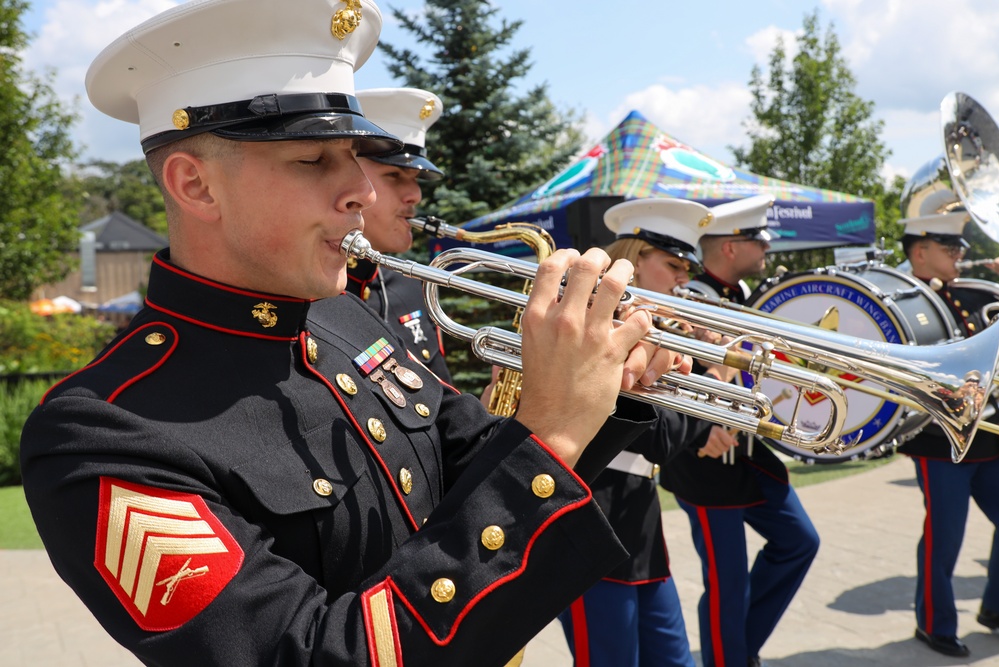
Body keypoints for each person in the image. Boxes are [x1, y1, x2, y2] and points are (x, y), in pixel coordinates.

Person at [17, 2, 686, 665]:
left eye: (357, 156)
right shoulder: (102, 434)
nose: (362, 190)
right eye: (314, 160)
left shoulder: (338, 313)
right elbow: (309, 654)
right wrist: (556, 432)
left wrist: (599, 389)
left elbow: (473, 456)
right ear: (195, 184)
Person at [557, 198, 739, 667]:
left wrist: (701, 414)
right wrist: (713, 380)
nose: (684, 279)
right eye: (674, 265)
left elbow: (668, 429)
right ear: (636, 261)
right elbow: (658, 436)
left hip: (638, 517)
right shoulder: (604, 324)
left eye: (687, 267)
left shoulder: (661, 327)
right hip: (589, 519)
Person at [659, 194, 820, 667]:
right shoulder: (691, 298)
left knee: (800, 541)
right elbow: (670, 376)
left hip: (747, 453)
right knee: (728, 583)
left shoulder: (745, 298)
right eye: (758, 241)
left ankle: (737, 650)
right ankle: (730, 658)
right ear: (731, 247)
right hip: (703, 461)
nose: (767, 250)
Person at [895, 211, 999, 658]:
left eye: (959, 248)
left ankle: (994, 608)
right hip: (939, 443)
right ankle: (934, 625)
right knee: (945, 537)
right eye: (949, 249)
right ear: (920, 252)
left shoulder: (976, 293)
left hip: (990, 438)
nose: (960, 255)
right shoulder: (901, 302)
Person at [347, 87, 452, 381]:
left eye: (416, 180)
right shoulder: (308, 292)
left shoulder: (409, 289)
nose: (415, 195)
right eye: (394, 175)